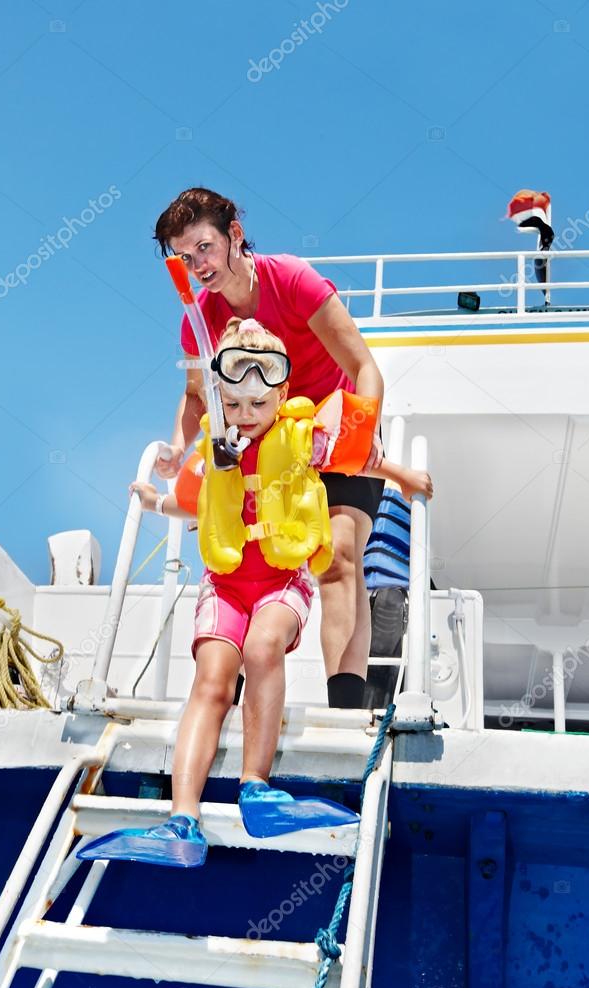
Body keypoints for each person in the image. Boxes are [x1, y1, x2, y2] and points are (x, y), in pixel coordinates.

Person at [79, 318, 432, 867]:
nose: (246, 415)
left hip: (281, 580)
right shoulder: (214, 450)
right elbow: (195, 501)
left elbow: (358, 458)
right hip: (225, 585)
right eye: (234, 404)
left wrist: (402, 475)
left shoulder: (302, 438)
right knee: (211, 680)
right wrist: (155, 502)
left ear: (282, 395)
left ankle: (257, 788)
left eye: (258, 403)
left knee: (263, 648)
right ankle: (181, 821)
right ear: (220, 399)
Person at [153, 187, 387, 710]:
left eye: (205, 248)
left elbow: (364, 367)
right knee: (243, 561)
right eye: (185, 258)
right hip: (258, 444)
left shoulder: (293, 280)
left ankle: (346, 707)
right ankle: (229, 699)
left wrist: (364, 427)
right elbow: (196, 396)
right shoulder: (199, 320)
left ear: (234, 234)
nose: (198, 266)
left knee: (340, 553)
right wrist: (178, 446)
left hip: (330, 431)